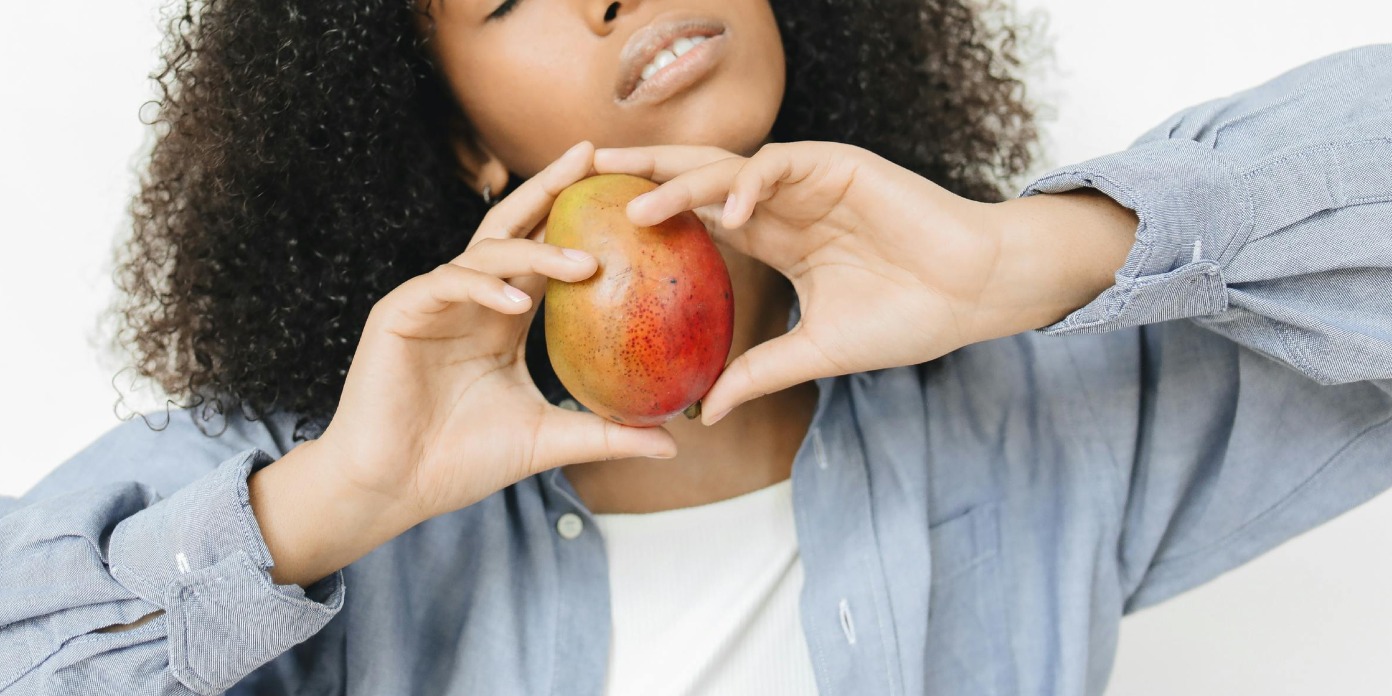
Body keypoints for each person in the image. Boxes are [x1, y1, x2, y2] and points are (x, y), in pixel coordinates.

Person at [0, 0, 1387, 692]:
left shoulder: (1058, 391)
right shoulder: (300, 468)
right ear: (460, 142)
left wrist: (1032, 252)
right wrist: (330, 505)